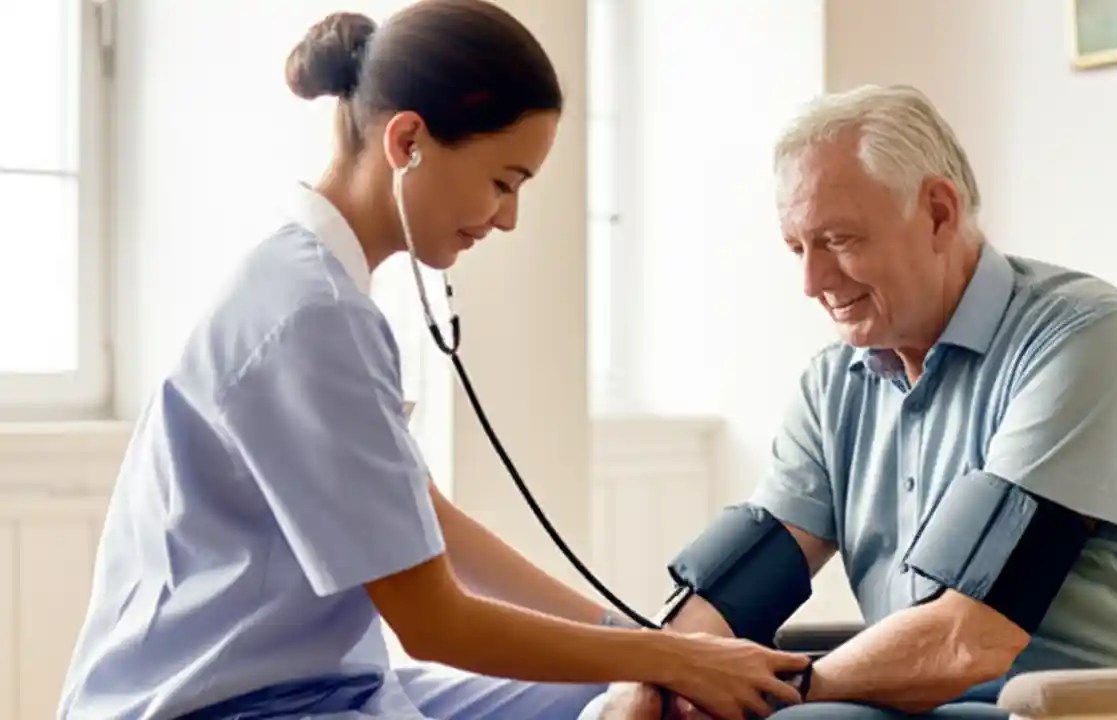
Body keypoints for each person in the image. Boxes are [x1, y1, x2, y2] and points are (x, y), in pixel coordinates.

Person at [56, 3, 811, 718]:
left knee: (638, 698)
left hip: (320, 684)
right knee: (652, 696)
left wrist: (647, 645)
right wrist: (667, 659)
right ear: (407, 142)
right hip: (224, 704)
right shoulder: (310, 313)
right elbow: (434, 622)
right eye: (502, 182)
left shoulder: (323, 289)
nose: (508, 218)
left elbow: (431, 523)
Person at [584, 84, 1117, 720]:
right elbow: (738, 585)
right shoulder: (835, 381)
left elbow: (969, 637)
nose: (812, 282)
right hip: (939, 702)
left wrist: (765, 689)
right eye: (797, 247)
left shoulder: (1078, 335)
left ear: (938, 213)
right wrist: (656, 679)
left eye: (839, 240)